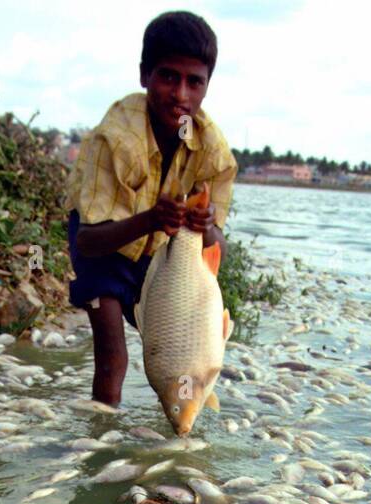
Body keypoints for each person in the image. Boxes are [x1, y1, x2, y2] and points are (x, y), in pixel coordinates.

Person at [66, 10, 237, 406]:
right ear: (145, 75)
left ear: (207, 87)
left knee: (179, 355)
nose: (180, 94)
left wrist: (207, 227)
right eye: (168, 76)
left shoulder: (214, 152)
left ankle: (176, 439)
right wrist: (151, 219)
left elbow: (219, 251)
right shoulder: (115, 139)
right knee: (113, 358)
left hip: (158, 256)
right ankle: (100, 446)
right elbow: (88, 242)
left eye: (194, 82)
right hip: (103, 242)